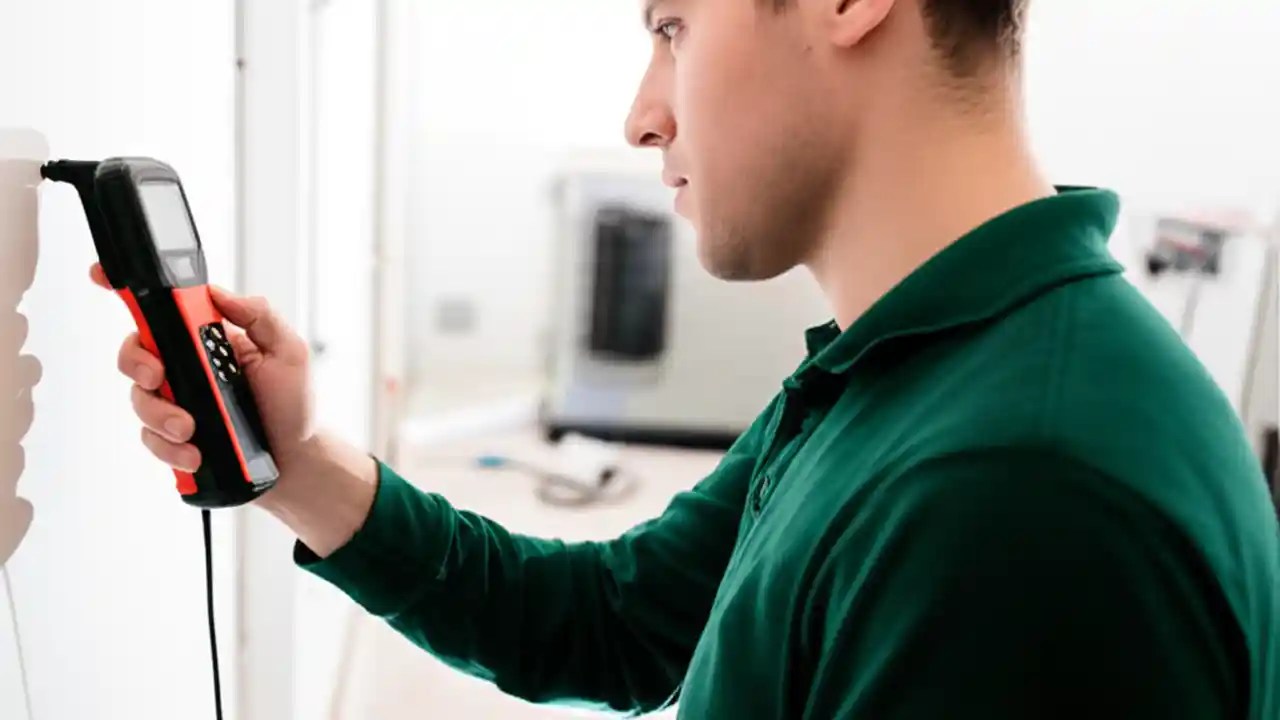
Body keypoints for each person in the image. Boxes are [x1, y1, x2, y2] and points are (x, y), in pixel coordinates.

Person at [96, 0, 1279, 717]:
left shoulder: (1017, 487)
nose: (641, 115)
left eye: (672, 28)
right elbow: (614, 625)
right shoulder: (911, 371)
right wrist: (291, 460)